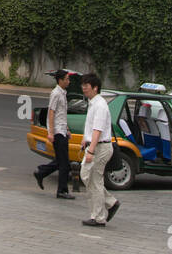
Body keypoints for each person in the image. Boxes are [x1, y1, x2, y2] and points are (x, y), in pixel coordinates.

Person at [79, 71, 119, 227]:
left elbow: (98, 130)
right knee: (87, 176)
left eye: (86, 85)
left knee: (94, 181)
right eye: (83, 85)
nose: (83, 88)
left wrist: (91, 150)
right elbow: (91, 127)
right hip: (95, 145)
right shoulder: (93, 103)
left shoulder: (100, 105)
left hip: (100, 147)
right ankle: (110, 202)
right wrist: (85, 139)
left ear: (95, 87)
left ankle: (98, 217)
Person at [33, 69, 75, 199]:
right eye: (67, 79)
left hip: (62, 130)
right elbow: (51, 112)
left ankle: (41, 172)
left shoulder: (63, 93)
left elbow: (61, 115)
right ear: (60, 80)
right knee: (64, 163)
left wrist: (67, 129)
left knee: (61, 161)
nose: (68, 81)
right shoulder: (56, 93)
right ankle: (62, 190)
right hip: (57, 132)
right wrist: (50, 132)